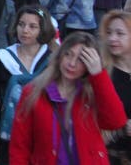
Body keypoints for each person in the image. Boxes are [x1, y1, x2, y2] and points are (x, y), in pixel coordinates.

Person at [10, 32, 126, 163]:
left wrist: (98, 75)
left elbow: (116, 121)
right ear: (60, 55)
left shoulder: (93, 93)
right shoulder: (33, 92)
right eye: (68, 54)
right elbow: (19, 146)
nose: (72, 63)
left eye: (80, 59)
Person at [0, 6, 56, 165]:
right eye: (21, 24)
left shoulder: (51, 60)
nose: (25, 30)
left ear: (42, 29)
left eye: (32, 26)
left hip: (43, 137)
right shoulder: (3, 59)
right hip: (8, 136)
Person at [99, 10, 131, 164]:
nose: (112, 38)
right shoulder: (102, 73)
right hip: (110, 156)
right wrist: (122, 127)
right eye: (109, 33)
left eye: (120, 33)